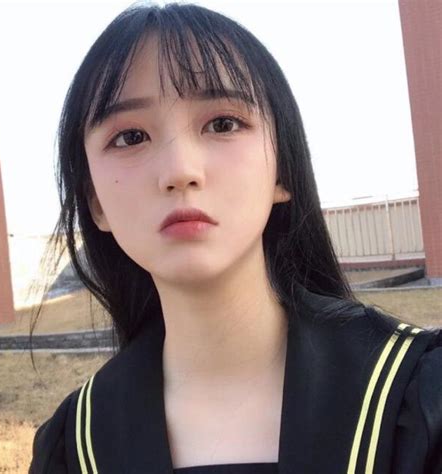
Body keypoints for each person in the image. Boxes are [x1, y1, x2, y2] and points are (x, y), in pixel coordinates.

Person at [28, 2, 442, 473]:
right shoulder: (76, 446)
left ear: (282, 171)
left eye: (222, 124)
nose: (180, 170)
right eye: (131, 137)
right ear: (96, 203)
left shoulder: (416, 397)